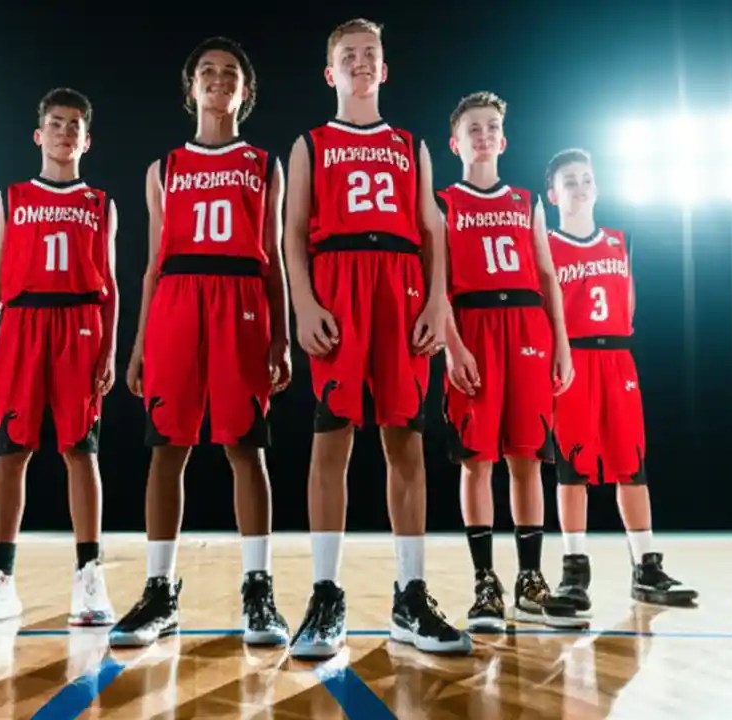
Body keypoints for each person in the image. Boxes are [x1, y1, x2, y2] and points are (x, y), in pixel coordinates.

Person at [283, 18, 472, 659]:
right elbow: (292, 232)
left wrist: (438, 301)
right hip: (337, 284)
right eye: (348, 55)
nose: (361, 62)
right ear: (330, 72)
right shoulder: (311, 143)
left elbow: (433, 230)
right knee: (330, 438)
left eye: (371, 54)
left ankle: (410, 596)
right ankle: (325, 595)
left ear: (385, 69)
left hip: (401, 285)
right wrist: (304, 303)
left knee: (406, 442)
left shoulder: (410, 144)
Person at [110, 37, 290, 648]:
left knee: (246, 448)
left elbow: (274, 256)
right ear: (191, 88)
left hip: (242, 298)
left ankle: (259, 590)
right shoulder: (164, 168)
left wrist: (282, 335)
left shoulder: (264, 163)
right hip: (176, 302)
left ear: (245, 90)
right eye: (207, 71)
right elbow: (152, 263)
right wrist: (138, 343)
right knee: (167, 448)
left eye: (230, 72)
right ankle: (159, 591)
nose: (218, 79)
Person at [0, 88, 117, 628]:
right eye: (56, 124)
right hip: (21, 325)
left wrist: (110, 348)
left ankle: (89, 578)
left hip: (80, 324)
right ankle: (0, 579)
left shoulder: (100, 202)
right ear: (39, 135)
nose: (65, 132)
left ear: (86, 141)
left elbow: (111, 284)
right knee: (10, 452)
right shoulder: (12, 198)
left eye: (74, 126)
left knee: (81, 451)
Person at [437, 91, 585, 630]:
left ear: (504, 139)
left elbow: (547, 275)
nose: (484, 135)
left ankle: (529, 580)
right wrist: (452, 344)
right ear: (456, 143)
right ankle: (485, 583)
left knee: (528, 457)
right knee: (477, 460)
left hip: (527, 327)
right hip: (473, 324)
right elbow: (437, 284)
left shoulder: (526, 201)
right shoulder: (444, 203)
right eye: (473, 128)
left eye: (492, 127)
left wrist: (561, 341)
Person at [544, 148, 698, 610]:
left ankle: (647, 568)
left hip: (617, 359)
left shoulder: (619, 241)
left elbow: (628, 305)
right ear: (553, 194)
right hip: (572, 359)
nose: (580, 187)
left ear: (597, 187)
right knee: (573, 468)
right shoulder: (545, 246)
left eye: (586, 178)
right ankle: (574, 573)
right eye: (569, 181)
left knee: (631, 463)